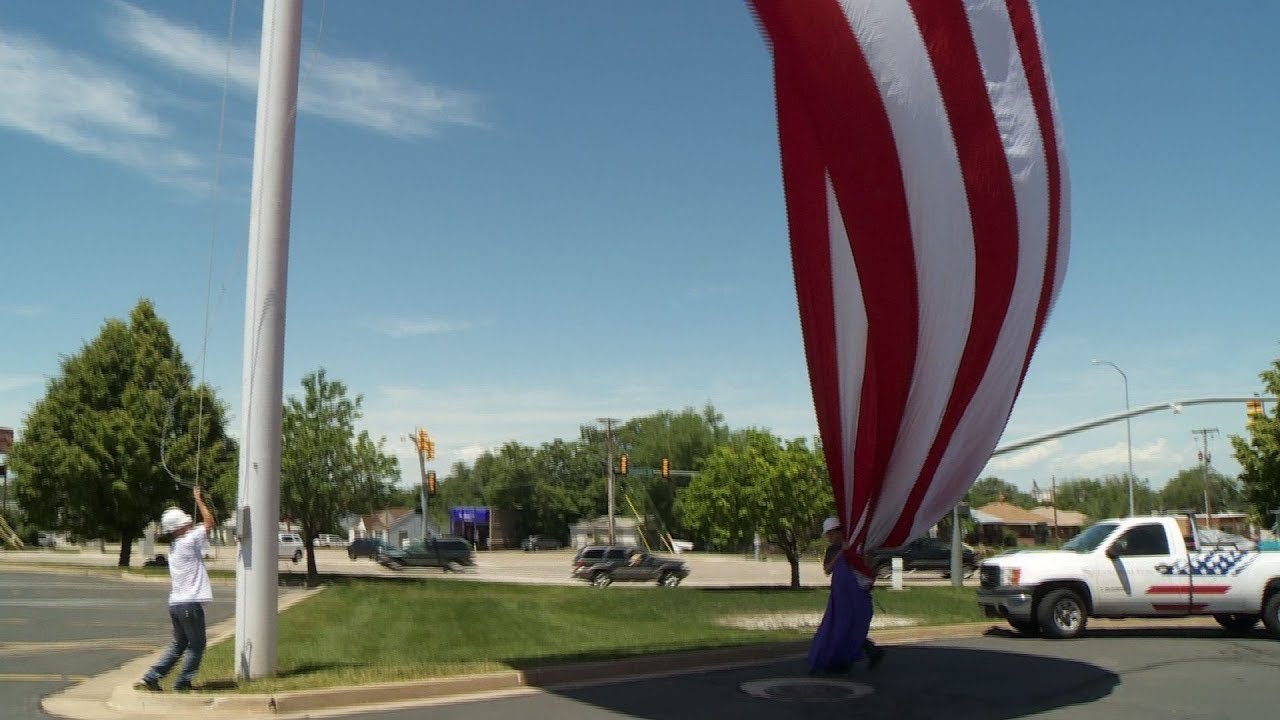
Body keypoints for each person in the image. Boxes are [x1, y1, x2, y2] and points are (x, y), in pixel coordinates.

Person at [135, 486, 214, 693]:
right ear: (178, 527)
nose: (189, 523)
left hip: (176, 604)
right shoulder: (189, 540)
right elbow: (209, 523)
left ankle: (152, 677)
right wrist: (198, 499)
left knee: (179, 644)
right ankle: (183, 683)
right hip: (189, 604)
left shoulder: (175, 547)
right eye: (185, 522)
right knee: (197, 645)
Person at [808, 516, 885, 675]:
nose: (830, 538)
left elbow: (865, 568)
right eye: (828, 535)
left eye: (831, 534)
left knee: (851, 625)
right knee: (839, 626)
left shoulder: (856, 547)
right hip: (840, 595)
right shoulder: (833, 550)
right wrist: (841, 553)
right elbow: (828, 570)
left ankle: (856, 655)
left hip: (854, 594)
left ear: (838, 531)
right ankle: (841, 658)